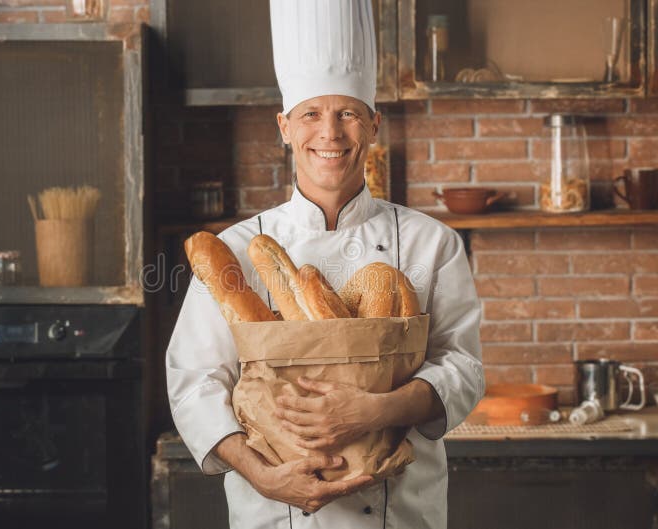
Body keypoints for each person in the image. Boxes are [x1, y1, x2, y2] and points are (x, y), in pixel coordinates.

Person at [166, 1, 484, 527]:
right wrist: (260, 475)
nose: (330, 133)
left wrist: (378, 410)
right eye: (311, 114)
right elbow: (195, 383)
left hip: (401, 513)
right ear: (284, 128)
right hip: (273, 513)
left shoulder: (434, 244)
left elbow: (463, 369)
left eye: (348, 114)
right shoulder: (241, 248)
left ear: (374, 126)